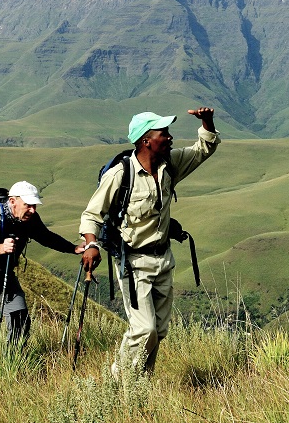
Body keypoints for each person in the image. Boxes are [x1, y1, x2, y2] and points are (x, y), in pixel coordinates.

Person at [80, 108, 220, 376]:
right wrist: (91, 244)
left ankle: (142, 382)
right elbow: (91, 215)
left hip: (163, 259)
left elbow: (204, 149)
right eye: (163, 134)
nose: (170, 138)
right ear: (146, 141)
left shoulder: (170, 164)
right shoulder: (120, 175)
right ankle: (119, 379)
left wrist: (207, 121)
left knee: (159, 331)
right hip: (134, 263)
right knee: (144, 329)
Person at [0, 180, 86, 362]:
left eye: (34, 205)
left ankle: (11, 365)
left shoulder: (30, 219)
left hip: (5, 277)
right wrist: (0, 248)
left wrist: (72, 248)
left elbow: (46, 237)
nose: (33, 210)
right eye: (28, 205)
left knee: (20, 319)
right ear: (12, 201)